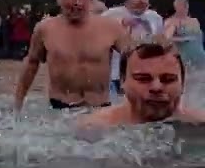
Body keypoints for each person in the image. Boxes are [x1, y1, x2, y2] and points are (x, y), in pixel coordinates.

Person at [13, 0, 131, 111]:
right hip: (60, 106)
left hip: (100, 105)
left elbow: (132, 58)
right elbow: (31, 63)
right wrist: (18, 102)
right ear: (59, 0)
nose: (77, 3)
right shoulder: (45, 29)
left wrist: (130, 93)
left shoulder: (110, 27)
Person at [76, 40, 205, 130]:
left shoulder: (199, 126)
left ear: (182, 83)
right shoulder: (94, 127)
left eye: (168, 79)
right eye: (143, 79)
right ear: (122, 81)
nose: (156, 87)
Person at [102, 0, 164, 99]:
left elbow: (160, 41)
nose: (142, 1)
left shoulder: (155, 17)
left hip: (147, 69)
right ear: (126, 1)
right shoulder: (110, 15)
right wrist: (121, 25)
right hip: (116, 71)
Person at [162, 0, 205, 70]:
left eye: (186, 5)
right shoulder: (172, 21)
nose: (185, 7)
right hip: (184, 60)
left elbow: (199, 38)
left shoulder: (194, 21)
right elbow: (167, 38)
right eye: (182, 5)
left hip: (200, 57)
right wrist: (184, 39)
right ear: (176, 7)